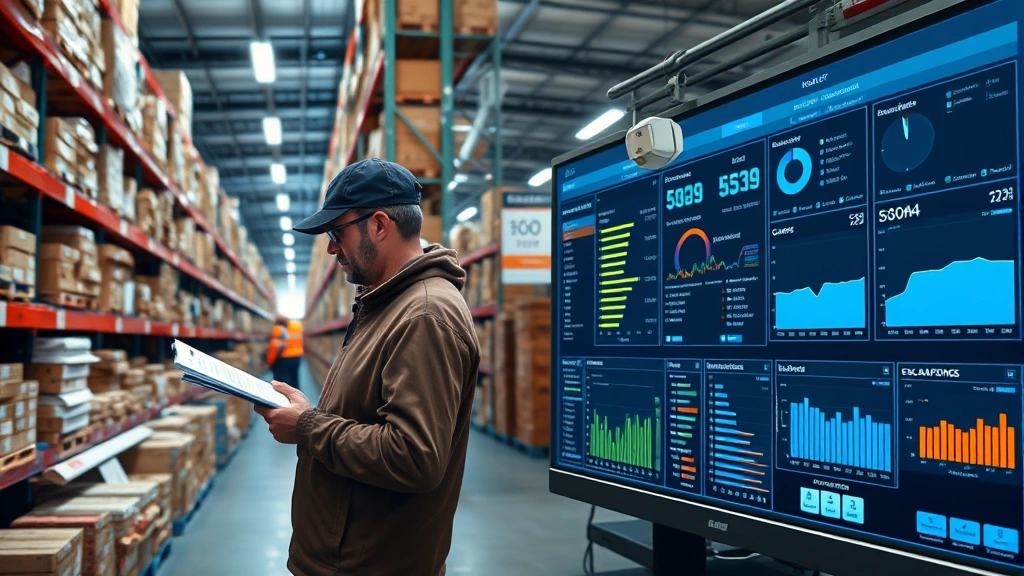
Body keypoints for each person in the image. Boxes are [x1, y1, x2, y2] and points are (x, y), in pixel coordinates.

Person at [255, 159, 480, 576]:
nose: (331, 248)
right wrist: (310, 412)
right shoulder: (384, 302)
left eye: (337, 233)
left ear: (379, 225)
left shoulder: (423, 315)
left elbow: (414, 456)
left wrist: (307, 427)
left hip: (368, 564)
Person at [267, 315, 303, 389]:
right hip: (297, 357)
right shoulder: (297, 326)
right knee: (294, 381)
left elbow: (275, 348)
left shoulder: (278, 329)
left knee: (282, 384)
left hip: (284, 359)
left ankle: (282, 400)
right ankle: (296, 398)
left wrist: (270, 362)